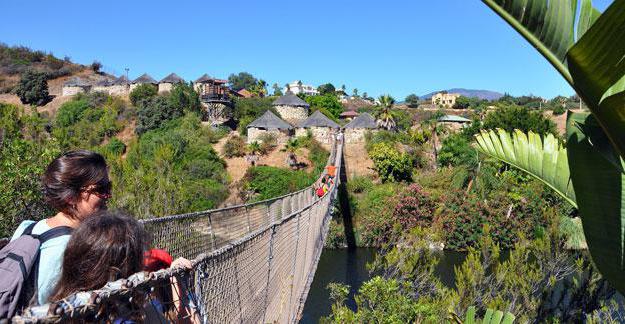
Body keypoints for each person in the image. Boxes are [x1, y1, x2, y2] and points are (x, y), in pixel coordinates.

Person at [10, 150, 111, 306]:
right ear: (71, 197)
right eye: (101, 189)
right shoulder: (75, 248)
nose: (108, 196)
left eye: (108, 187)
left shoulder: (27, 228)